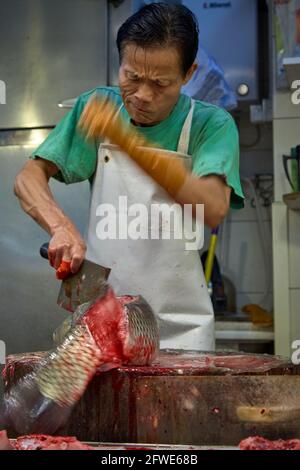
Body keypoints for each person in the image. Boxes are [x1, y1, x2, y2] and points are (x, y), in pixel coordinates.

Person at [14, 3, 244, 351]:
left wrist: (125, 140)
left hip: (181, 333)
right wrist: (59, 226)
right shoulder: (97, 107)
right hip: (105, 324)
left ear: (188, 74)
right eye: (132, 77)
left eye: (160, 83)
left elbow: (211, 206)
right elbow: (28, 178)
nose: (142, 96)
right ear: (120, 62)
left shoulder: (210, 125)